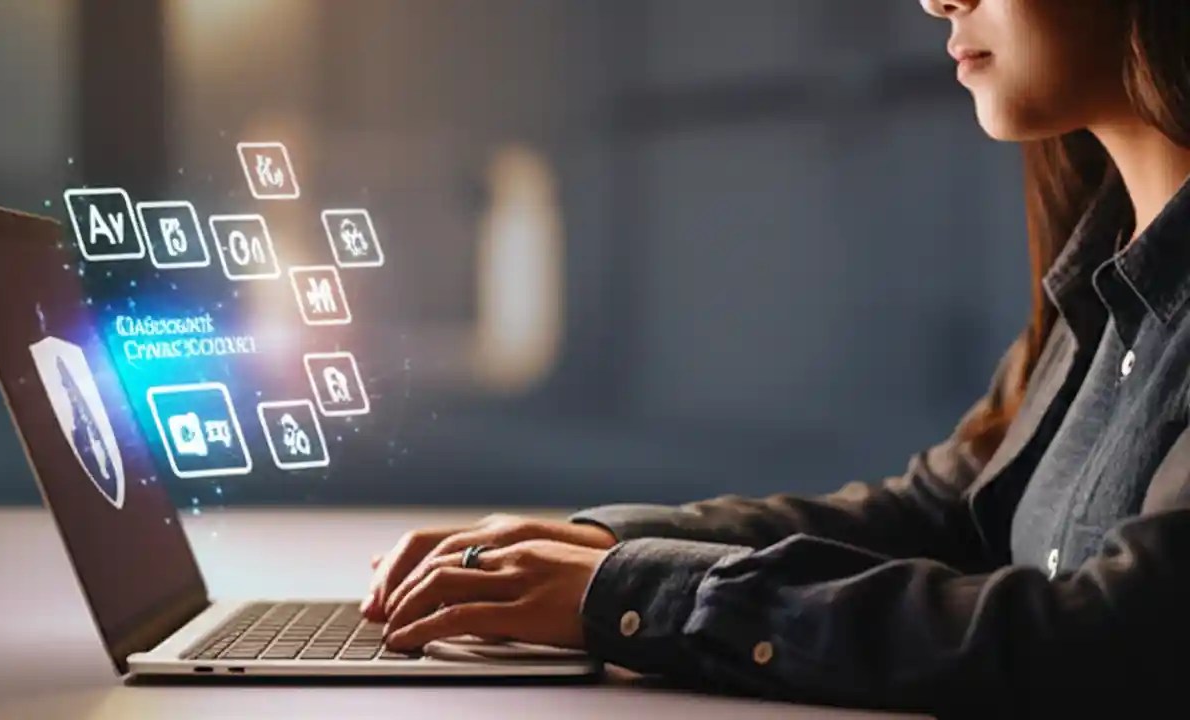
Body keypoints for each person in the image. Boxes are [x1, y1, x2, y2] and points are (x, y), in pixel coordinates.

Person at [362, 0, 1190, 713]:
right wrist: (603, 548)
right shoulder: (1100, 270)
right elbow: (941, 516)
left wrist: (634, 596)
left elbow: (1109, 642)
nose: (938, 0)